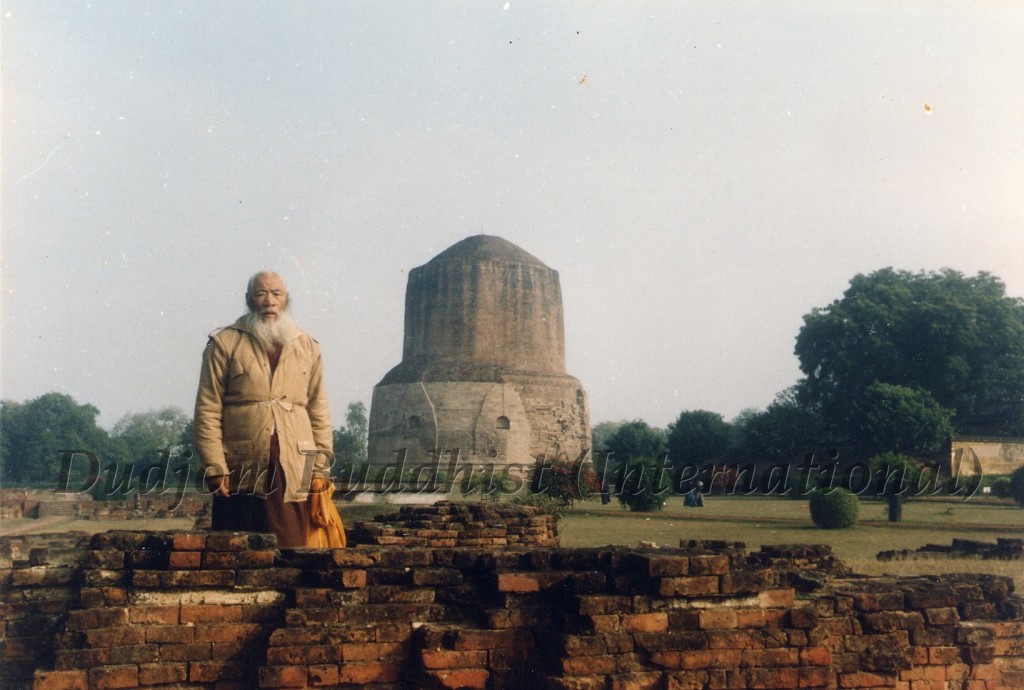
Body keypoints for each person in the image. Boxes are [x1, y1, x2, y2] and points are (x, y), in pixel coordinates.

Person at [193, 271, 333, 547]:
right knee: (237, 552)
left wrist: (319, 468)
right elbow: (207, 408)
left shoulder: (307, 346)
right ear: (249, 300)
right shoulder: (225, 343)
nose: (269, 301)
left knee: (292, 550)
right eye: (261, 293)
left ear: (286, 300)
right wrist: (214, 465)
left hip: (294, 466)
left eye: (276, 294)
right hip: (239, 466)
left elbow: (319, 410)